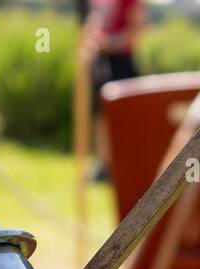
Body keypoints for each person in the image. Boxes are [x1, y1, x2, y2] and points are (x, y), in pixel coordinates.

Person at [83, 0, 147, 179]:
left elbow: (137, 32)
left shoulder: (131, 2)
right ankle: (104, 165)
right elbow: (93, 24)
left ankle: (124, 164)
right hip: (100, 62)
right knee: (100, 114)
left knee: (124, 117)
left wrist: (109, 42)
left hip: (122, 65)